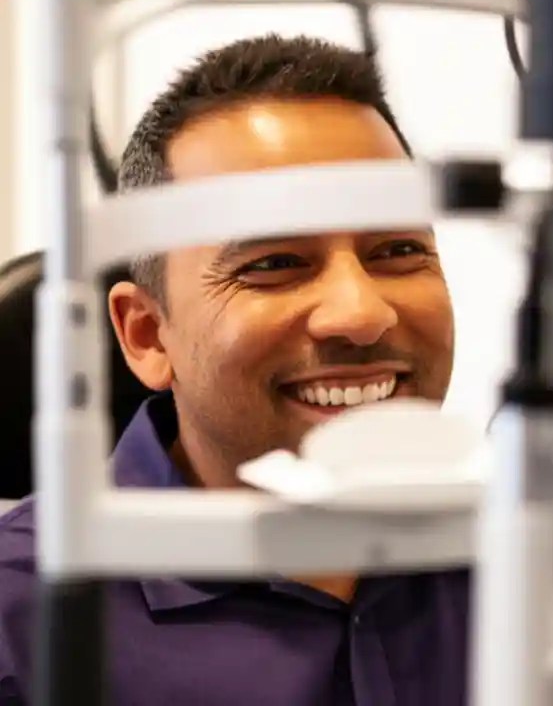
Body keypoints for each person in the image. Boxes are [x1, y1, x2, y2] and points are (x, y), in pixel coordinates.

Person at [0, 35, 467, 705]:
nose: (362, 314)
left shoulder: (528, 568)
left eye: (397, 250)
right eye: (275, 264)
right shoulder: (19, 629)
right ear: (146, 335)